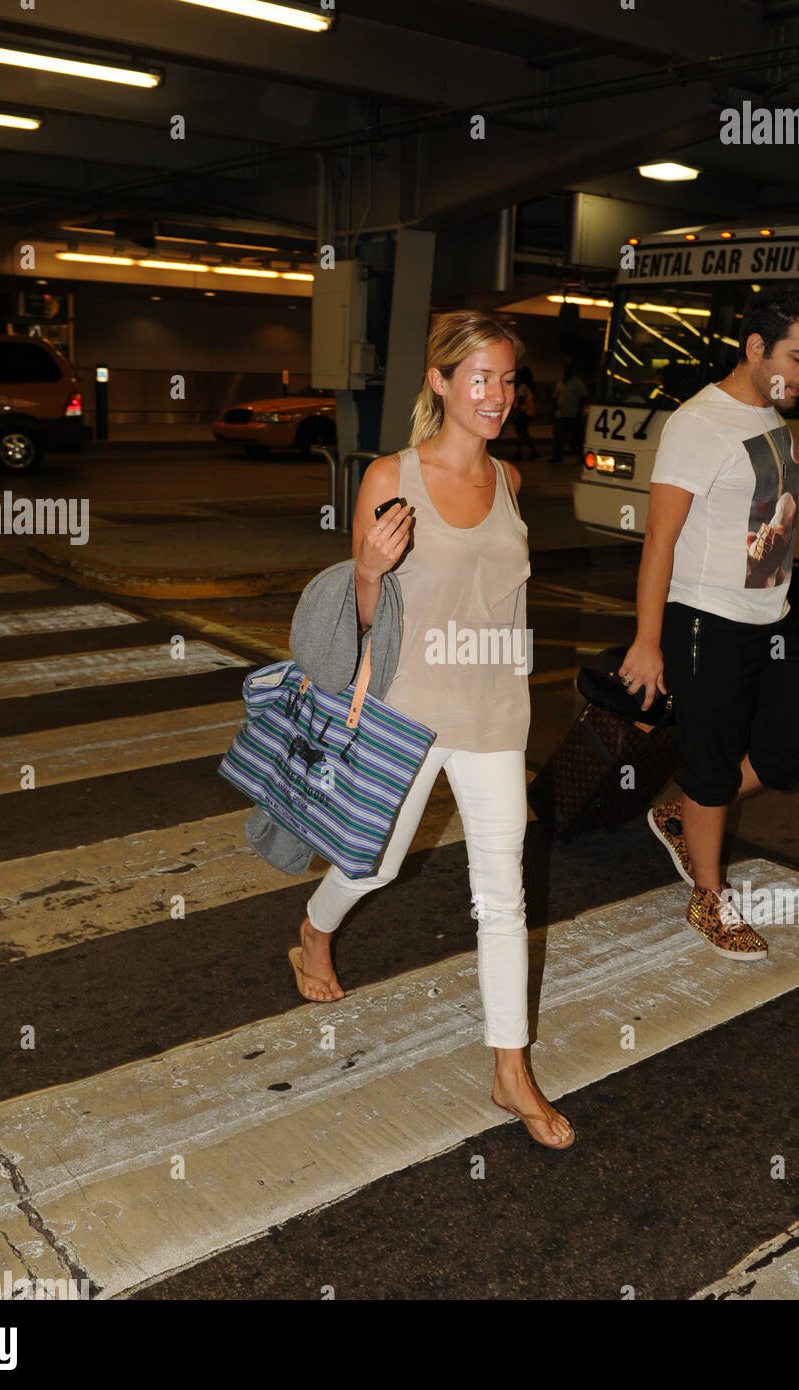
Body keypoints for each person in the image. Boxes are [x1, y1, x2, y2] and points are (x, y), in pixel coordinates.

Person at [288, 309, 575, 1150]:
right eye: (478, 378)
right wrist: (369, 571)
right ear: (440, 383)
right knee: (370, 867)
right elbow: (369, 615)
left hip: (493, 715)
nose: (496, 396)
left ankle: (509, 1069)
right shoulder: (389, 476)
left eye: (508, 379)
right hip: (408, 712)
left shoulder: (512, 482)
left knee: (502, 899)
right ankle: (314, 929)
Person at [619, 283, 799, 957]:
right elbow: (659, 538)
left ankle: (684, 811)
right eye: (798, 358)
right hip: (704, 619)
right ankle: (709, 900)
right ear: (755, 348)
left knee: (786, 752)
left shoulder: (770, 415)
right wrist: (647, 642)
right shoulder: (696, 424)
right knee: (712, 765)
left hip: (769, 617)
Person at [550, 363, 588, 463]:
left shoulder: (578, 383)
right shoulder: (560, 382)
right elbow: (555, 398)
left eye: (568, 369)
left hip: (573, 415)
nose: (566, 371)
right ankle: (557, 457)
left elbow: (583, 398)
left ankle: (582, 457)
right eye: (565, 369)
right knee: (558, 437)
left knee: (578, 438)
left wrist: (579, 412)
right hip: (561, 414)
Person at [509, 366, 539, 461]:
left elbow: (521, 401)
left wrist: (515, 411)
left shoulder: (522, 387)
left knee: (521, 434)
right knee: (524, 433)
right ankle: (534, 451)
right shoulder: (527, 386)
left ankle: (519, 453)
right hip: (527, 413)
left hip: (523, 413)